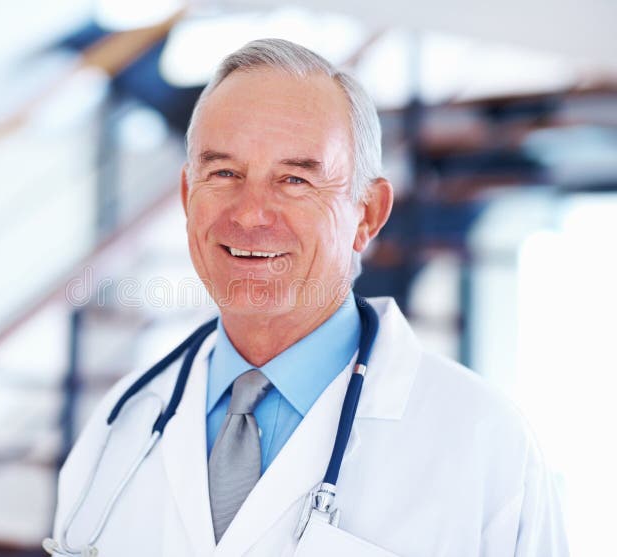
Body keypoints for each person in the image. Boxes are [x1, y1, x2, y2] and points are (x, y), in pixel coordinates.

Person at [50, 39, 569, 556]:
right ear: (188, 196)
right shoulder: (120, 424)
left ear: (367, 214)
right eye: (224, 173)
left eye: (295, 179)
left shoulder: (485, 446)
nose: (251, 213)